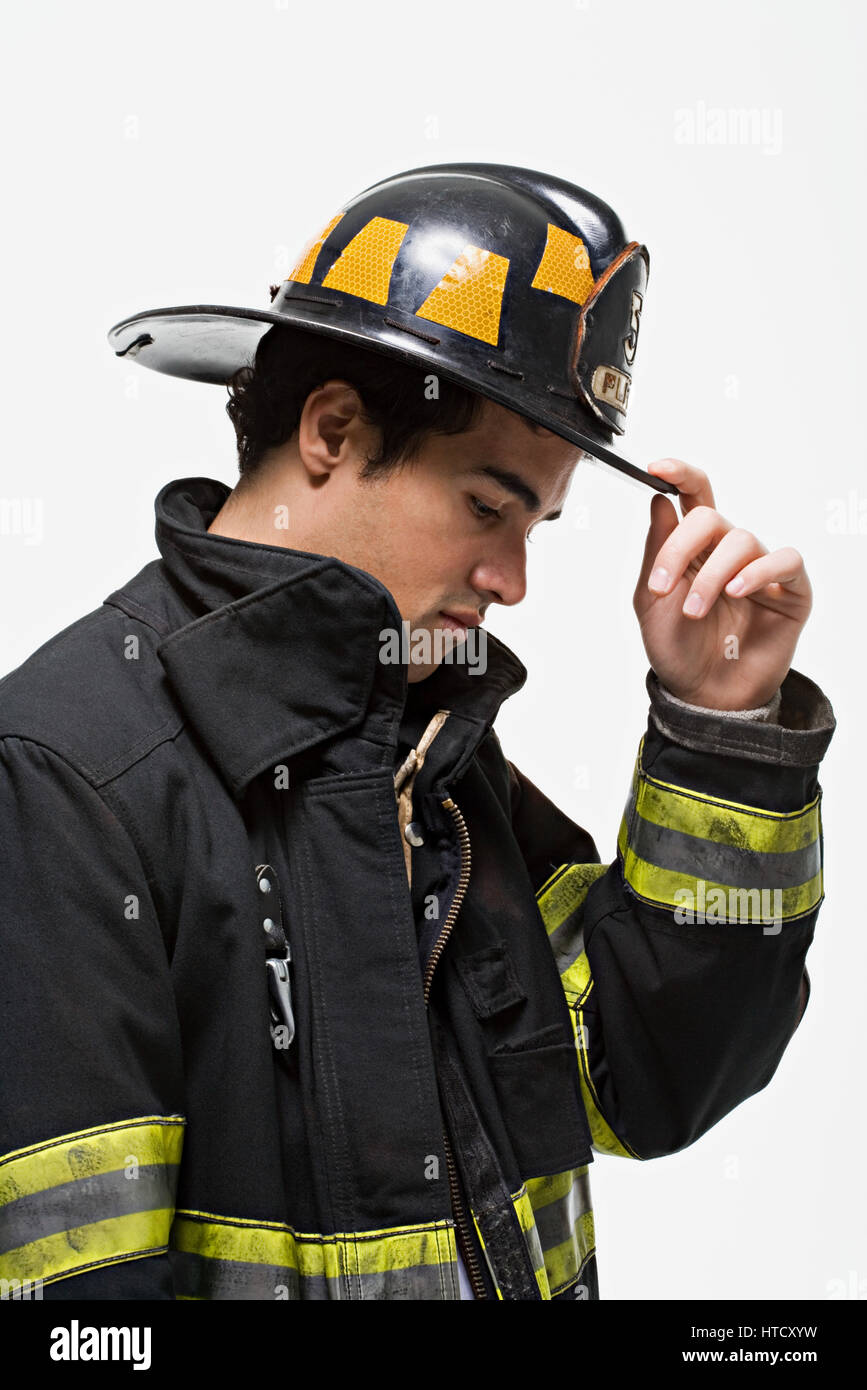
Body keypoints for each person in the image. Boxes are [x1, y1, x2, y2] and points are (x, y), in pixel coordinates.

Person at [0, 163, 834, 1301]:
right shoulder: (67, 776)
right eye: (488, 507)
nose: (513, 578)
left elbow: (643, 1078)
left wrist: (719, 724)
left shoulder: (429, 753)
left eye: (538, 523)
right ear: (333, 430)